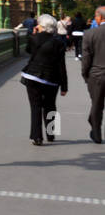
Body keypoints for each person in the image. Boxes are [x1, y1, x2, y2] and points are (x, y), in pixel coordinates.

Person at [22, 14, 68, 146]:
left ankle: (37, 137)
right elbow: (61, 66)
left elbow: (28, 51)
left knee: (35, 106)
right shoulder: (59, 43)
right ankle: (51, 134)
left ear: (41, 26)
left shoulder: (34, 39)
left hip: (33, 76)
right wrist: (64, 86)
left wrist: (34, 34)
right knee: (51, 105)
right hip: (52, 78)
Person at [80, 6, 105, 144]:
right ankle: (93, 121)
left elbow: (86, 58)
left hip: (97, 74)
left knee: (97, 104)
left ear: (100, 18)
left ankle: (96, 134)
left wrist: (85, 74)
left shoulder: (90, 34)